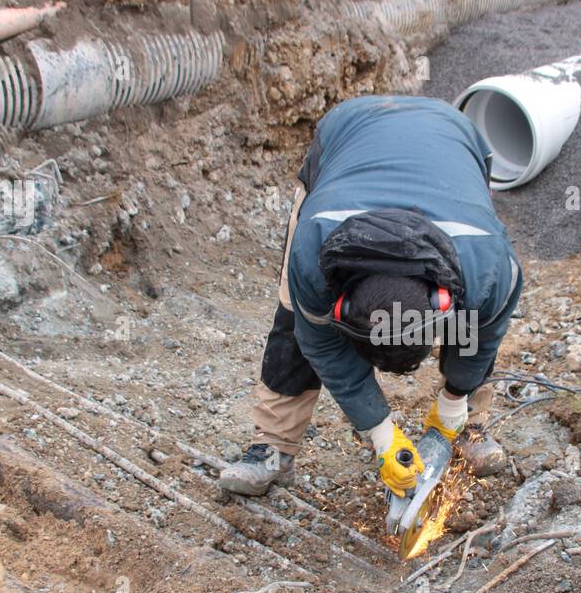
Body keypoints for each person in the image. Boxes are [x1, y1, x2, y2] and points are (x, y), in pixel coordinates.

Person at [219, 94, 523, 498]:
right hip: (349, 133)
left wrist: (453, 399)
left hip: (452, 137)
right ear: (341, 306)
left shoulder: (485, 265)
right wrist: (381, 434)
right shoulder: (313, 252)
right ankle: (273, 447)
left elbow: (481, 332)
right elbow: (320, 345)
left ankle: (466, 421)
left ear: (439, 305)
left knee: (470, 319)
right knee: (297, 318)